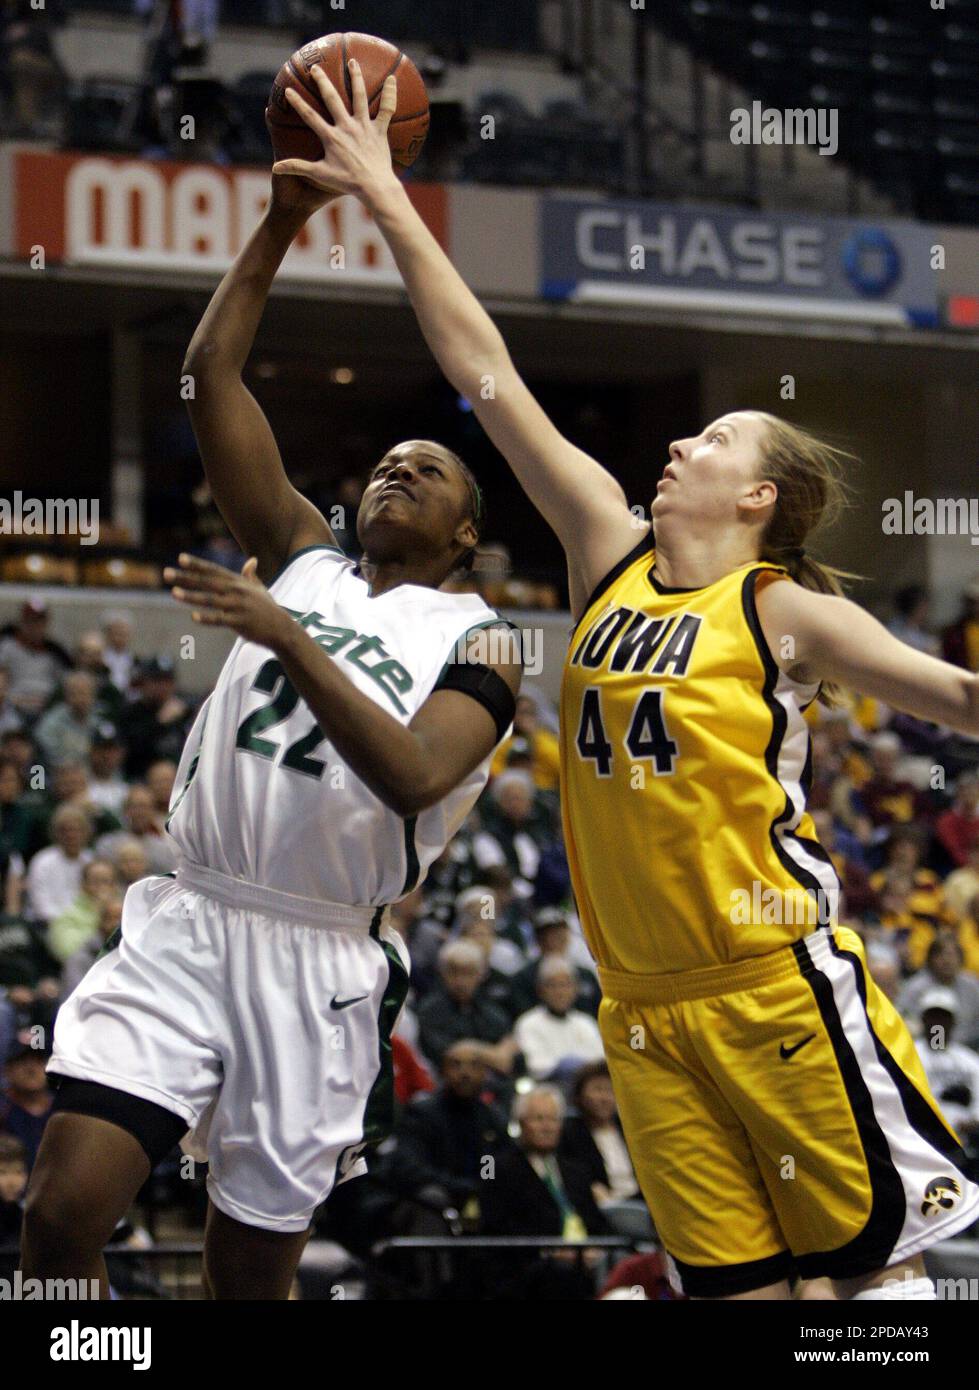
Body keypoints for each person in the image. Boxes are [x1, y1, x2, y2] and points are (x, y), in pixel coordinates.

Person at [273, 60, 979, 1298]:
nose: (674, 442)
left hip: (771, 981)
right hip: (640, 1006)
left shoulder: (780, 608)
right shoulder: (609, 552)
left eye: (708, 441)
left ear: (757, 497)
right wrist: (385, 193)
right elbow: (482, 371)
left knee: (878, 1276)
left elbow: (963, 703)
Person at [21, 159, 522, 1302]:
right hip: (194, 912)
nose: (397, 468)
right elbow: (209, 375)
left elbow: (409, 773)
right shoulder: (305, 557)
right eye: (386, 462)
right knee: (59, 1214)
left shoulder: (484, 642)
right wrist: (281, 222)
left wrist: (287, 638)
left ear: (466, 534)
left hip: (319, 957)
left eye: (428, 467)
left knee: (247, 1280)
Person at [512, 957, 604, 1083]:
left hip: (585, 1088)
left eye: (565, 985)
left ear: (575, 989)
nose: (560, 992)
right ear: (541, 990)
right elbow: (536, 1066)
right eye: (553, 986)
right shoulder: (528, 1023)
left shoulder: (585, 1022)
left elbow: (599, 1060)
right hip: (548, 1086)